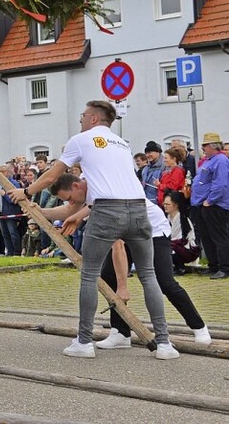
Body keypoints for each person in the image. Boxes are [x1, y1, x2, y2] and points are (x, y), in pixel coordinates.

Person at [10, 100, 177, 360]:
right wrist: (69, 214)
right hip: (138, 210)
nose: (80, 118)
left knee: (89, 275)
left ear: (94, 119)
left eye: (83, 115)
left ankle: (84, 342)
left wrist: (26, 191)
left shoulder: (81, 139)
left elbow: (53, 176)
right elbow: (113, 183)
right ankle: (165, 344)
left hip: (107, 212)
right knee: (148, 275)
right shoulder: (122, 144)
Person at [46, 174, 211, 347]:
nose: (71, 203)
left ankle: (199, 327)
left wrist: (123, 286)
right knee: (108, 276)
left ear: (76, 186)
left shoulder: (104, 190)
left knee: (164, 281)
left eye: (70, 198)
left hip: (151, 230)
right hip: (127, 228)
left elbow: (118, 246)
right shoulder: (87, 184)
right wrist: (38, 211)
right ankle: (121, 332)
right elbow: (71, 211)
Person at [191, 132, 229, 279]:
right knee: (207, 236)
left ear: (213, 146)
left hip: (214, 205)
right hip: (204, 204)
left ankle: (224, 267)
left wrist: (210, 200)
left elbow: (221, 183)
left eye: (205, 145)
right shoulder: (210, 160)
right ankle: (214, 265)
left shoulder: (220, 161)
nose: (203, 148)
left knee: (219, 236)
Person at [163, 190, 200, 274]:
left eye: (168, 204)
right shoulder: (166, 218)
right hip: (175, 246)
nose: (165, 206)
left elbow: (182, 240)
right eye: (164, 204)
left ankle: (180, 267)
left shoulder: (183, 220)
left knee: (169, 246)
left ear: (175, 205)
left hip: (187, 250)